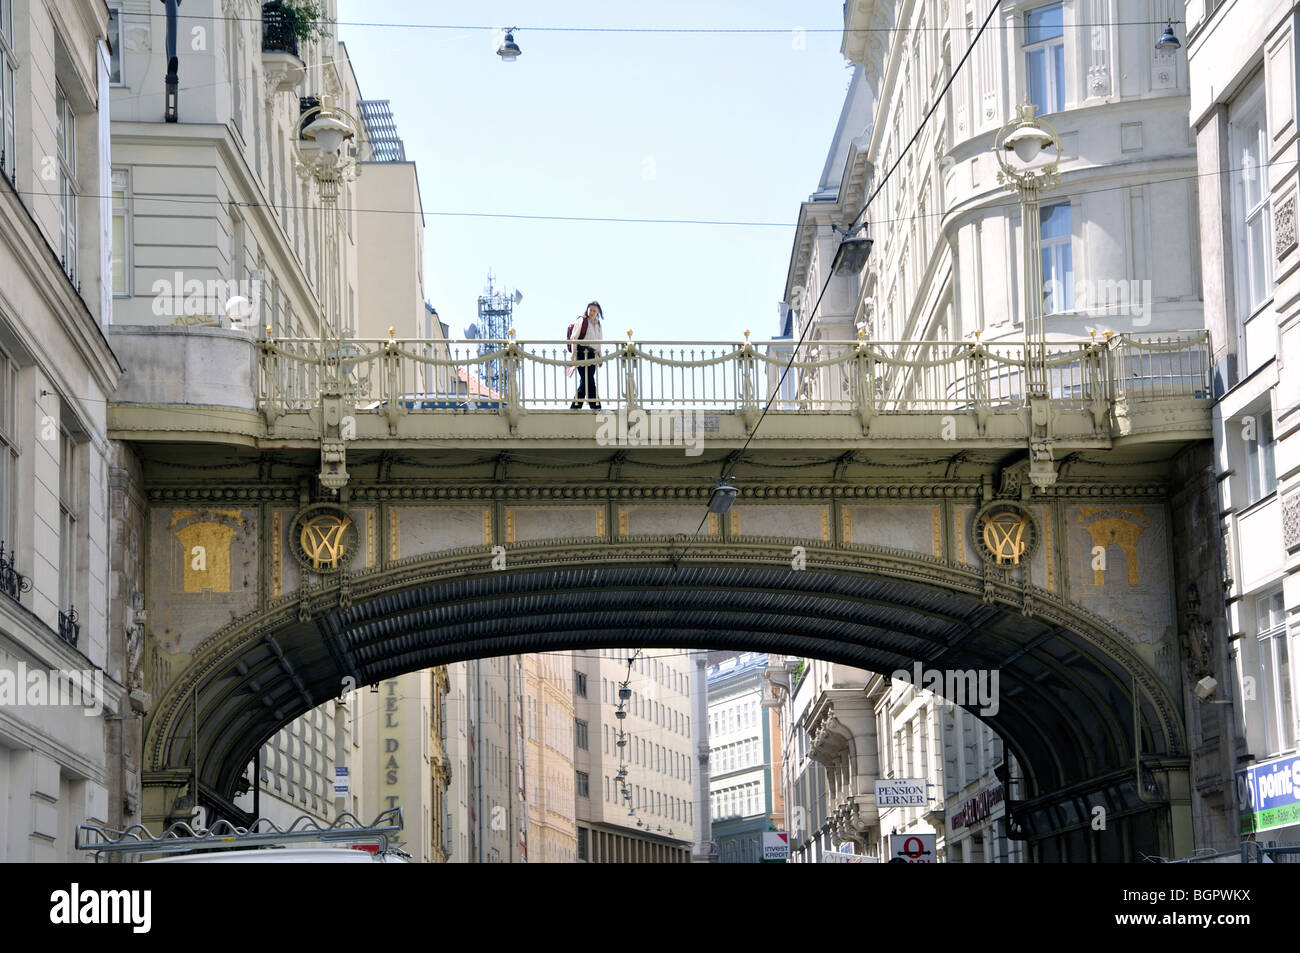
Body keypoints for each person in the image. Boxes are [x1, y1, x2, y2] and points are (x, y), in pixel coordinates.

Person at [569, 301, 603, 410]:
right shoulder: (582, 320)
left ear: (598, 312)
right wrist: (573, 354)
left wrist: (600, 357)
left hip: (592, 354)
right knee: (588, 380)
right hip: (581, 352)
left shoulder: (598, 324)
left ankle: (576, 407)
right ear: (587, 309)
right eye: (590, 310)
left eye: (594, 310)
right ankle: (596, 406)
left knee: (586, 381)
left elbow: (598, 343)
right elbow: (574, 338)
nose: (592, 312)